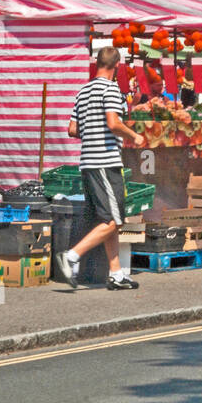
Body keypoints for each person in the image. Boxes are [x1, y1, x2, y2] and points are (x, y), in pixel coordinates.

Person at [58, 47, 147, 291]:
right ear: (117, 66)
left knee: (108, 218)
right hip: (105, 162)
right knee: (114, 220)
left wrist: (93, 130)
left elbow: (72, 130)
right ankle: (72, 256)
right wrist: (133, 136)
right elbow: (113, 122)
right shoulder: (111, 89)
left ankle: (116, 273)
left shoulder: (83, 91)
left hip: (87, 163)